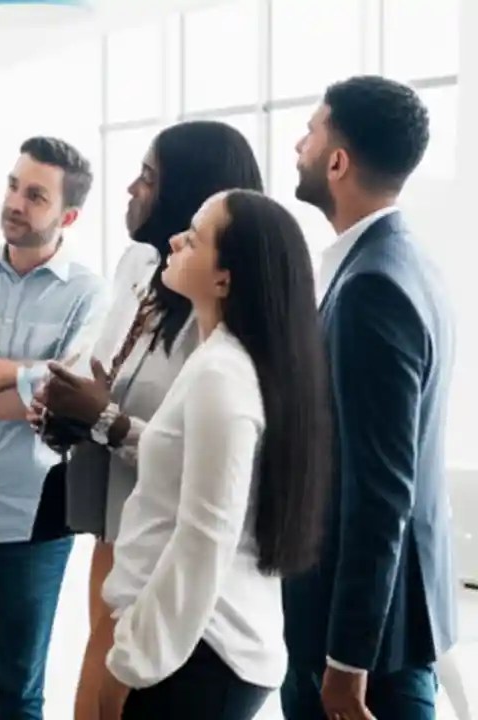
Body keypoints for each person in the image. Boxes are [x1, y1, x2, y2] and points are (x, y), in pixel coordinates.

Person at [29, 120, 264, 720]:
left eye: (150, 178)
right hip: (118, 532)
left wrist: (103, 418)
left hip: (172, 563)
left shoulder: (220, 349)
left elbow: (193, 469)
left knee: (112, 695)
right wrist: (72, 410)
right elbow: (107, 371)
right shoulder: (140, 269)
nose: (132, 188)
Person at [83, 189, 332, 719]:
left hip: (195, 656)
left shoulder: (223, 374)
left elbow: (204, 539)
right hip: (194, 647)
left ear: (224, 278)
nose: (175, 239)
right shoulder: (222, 362)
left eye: (193, 237)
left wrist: (130, 664)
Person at [281, 74, 457, 720]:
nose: (298, 143)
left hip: (366, 646)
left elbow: (381, 491)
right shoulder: (404, 262)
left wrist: (346, 662)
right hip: (390, 625)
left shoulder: (371, 287)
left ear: (337, 161)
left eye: (311, 131)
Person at [0, 137, 107, 719]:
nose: (15, 201)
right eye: (13, 185)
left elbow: (62, 394)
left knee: (19, 688)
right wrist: (29, 377)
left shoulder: (90, 294)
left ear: (68, 216)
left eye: (35, 195)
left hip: (36, 520)